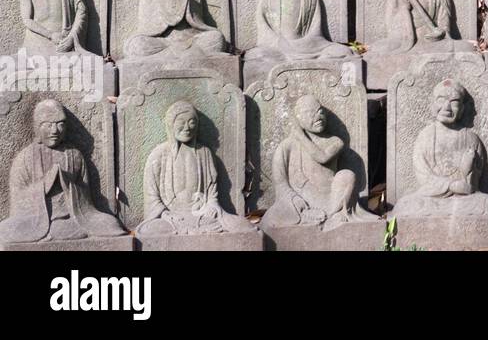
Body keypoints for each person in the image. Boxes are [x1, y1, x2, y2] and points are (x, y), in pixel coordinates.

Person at [0, 100, 126, 245]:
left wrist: (68, 184)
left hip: (71, 217)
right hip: (33, 219)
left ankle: (57, 230)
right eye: (48, 125)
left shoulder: (74, 155)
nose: (55, 131)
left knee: (110, 223)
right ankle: (51, 230)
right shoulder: (25, 158)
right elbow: (18, 198)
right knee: (4, 229)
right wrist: (45, 185)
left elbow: (86, 195)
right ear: (37, 127)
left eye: (60, 124)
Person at [139, 101, 253, 235]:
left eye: (192, 122)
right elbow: (152, 198)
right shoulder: (158, 155)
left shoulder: (204, 153)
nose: (187, 127)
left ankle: (193, 229)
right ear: (170, 124)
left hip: (201, 214)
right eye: (181, 122)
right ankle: (193, 230)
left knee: (242, 225)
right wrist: (165, 214)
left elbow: (212, 193)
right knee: (150, 229)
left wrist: (212, 205)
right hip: (170, 218)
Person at [263, 95, 372, 231]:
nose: (319, 116)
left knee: (347, 175)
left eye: (321, 111)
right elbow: (280, 183)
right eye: (310, 112)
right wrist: (295, 200)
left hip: (332, 198)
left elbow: (322, 157)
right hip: (302, 198)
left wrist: (301, 136)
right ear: (299, 119)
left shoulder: (335, 141)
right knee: (275, 217)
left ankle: (338, 214)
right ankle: (305, 215)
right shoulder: (286, 147)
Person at [395, 79, 488, 216]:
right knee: (406, 205)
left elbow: (472, 182)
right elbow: (423, 176)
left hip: (465, 200)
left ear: (462, 109)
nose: (447, 107)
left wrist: (468, 169)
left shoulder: (470, 138)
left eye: (454, 102)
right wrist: (451, 185)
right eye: (441, 100)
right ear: (432, 105)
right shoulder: (426, 136)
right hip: (431, 197)